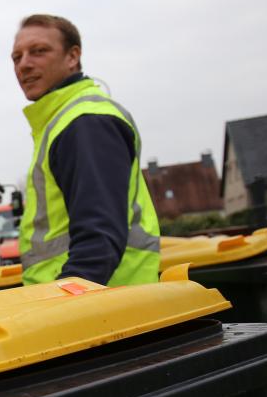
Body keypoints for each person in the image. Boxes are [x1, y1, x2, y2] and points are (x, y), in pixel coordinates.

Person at [11, 14, 160, 286]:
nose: (24, 65)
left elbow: (98, 239)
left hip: (102, 313)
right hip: (92, 305)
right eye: (16, 57)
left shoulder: (84, 123)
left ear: (72, 57)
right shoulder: (64, 122)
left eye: (39, 51)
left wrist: (66, 306)